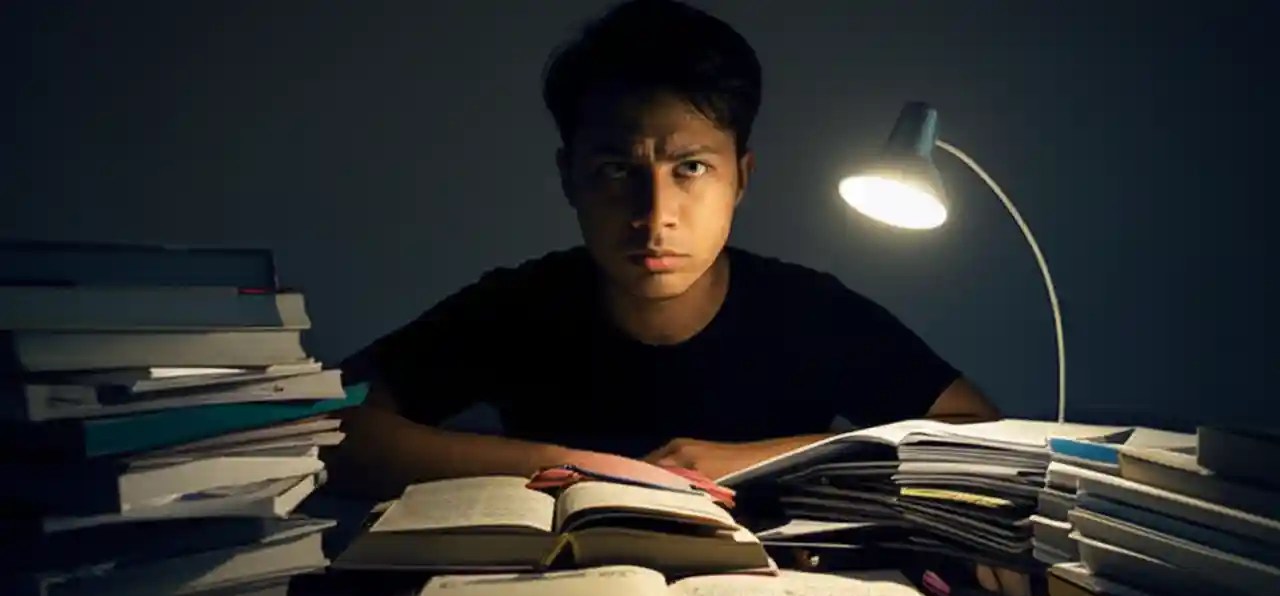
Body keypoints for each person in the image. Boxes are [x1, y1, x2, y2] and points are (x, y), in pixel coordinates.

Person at [330, 0, 998, 499]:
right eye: (618, 171)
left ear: (742, 176)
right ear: (570, 178)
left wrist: (767, 457)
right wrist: (569, 465)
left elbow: (978, 430)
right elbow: (333, 428)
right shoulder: (521, 306)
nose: (654, 218)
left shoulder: (807, 311)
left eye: (691, 168)